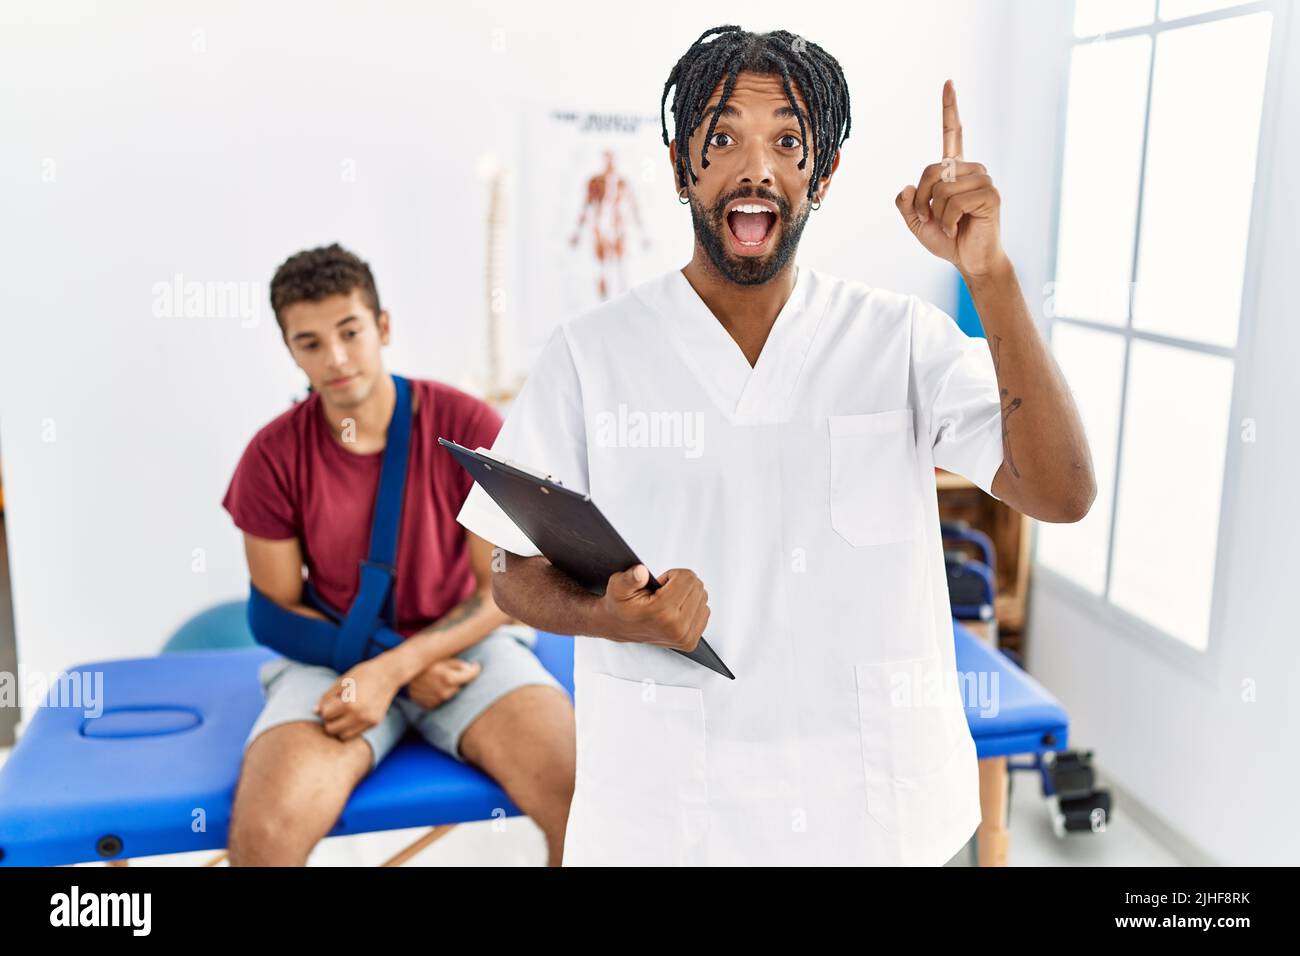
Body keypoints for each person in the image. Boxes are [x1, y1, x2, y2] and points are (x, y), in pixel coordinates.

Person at [455, 26, 1095, 865]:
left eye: (788, 142)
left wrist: (992, 277)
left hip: (872, 817)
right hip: (672, 818)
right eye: (722, 139)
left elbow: (1061, 492)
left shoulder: (901, 339)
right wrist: (605, 616)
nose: (755, 168)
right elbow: (511, 574)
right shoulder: (589, 355)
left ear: (822, 174)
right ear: (680, 166)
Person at [222, 243, 575, 866]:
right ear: (290, 350)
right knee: (264, 838)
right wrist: (395, 668)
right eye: (310, 343)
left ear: (382, 327)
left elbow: (501, 591)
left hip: (466, 650)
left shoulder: (463, 425)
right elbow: (274, 615)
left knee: (584, 798)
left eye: (349, 332)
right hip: (334, 656)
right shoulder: (271, 457)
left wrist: (395, 669)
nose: (335, 358)